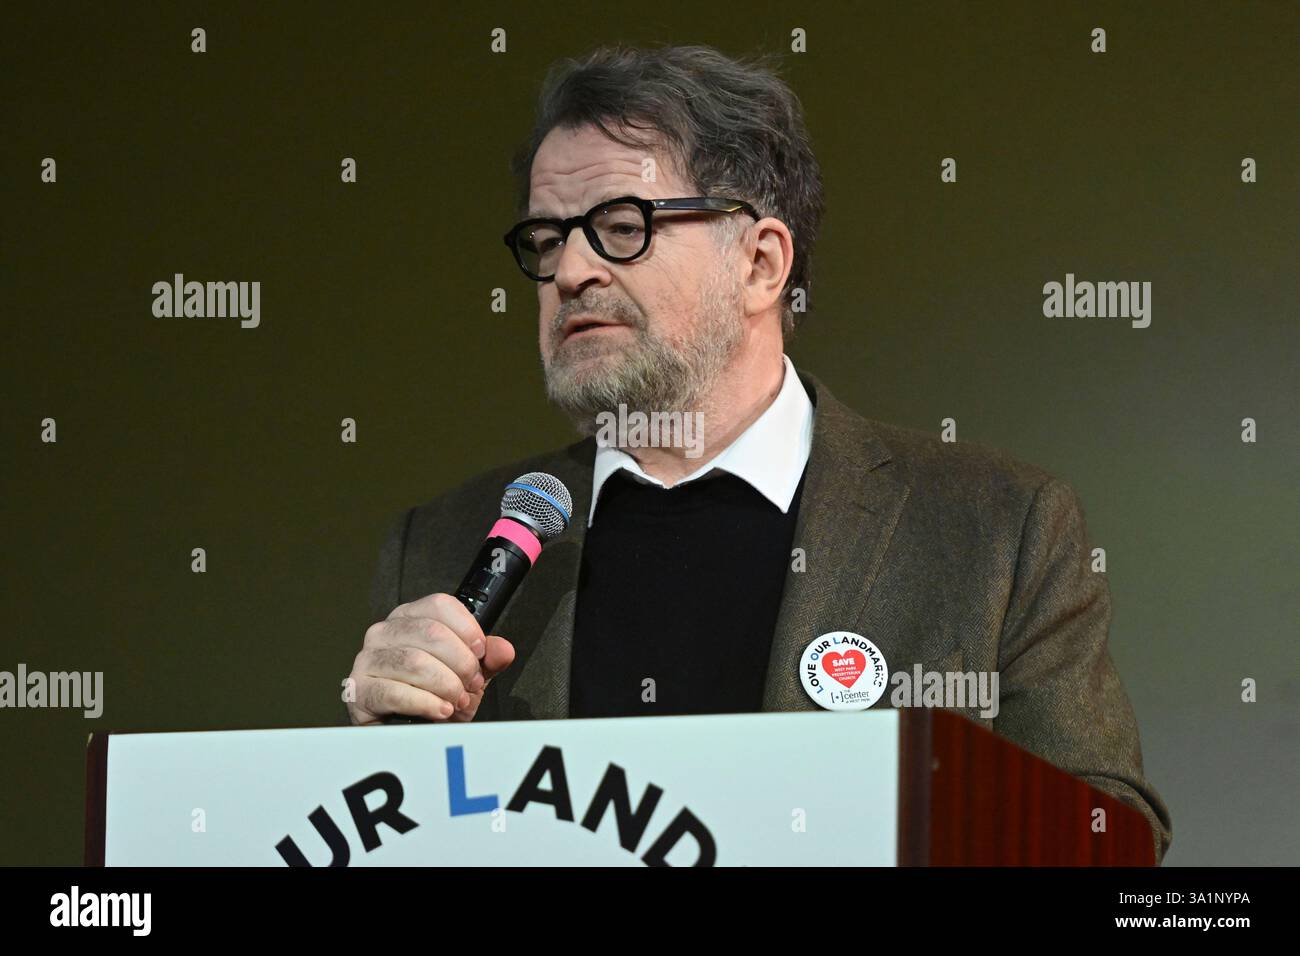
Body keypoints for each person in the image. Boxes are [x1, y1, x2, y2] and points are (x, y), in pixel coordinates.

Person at [344, 44, 1172, 863]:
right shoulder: (446, 544)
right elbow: (375, 834)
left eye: (621, 227)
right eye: (547, 238)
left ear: (761, 264)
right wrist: (386, 763)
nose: (569, 272)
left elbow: (1110, 838)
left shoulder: (996, 527)